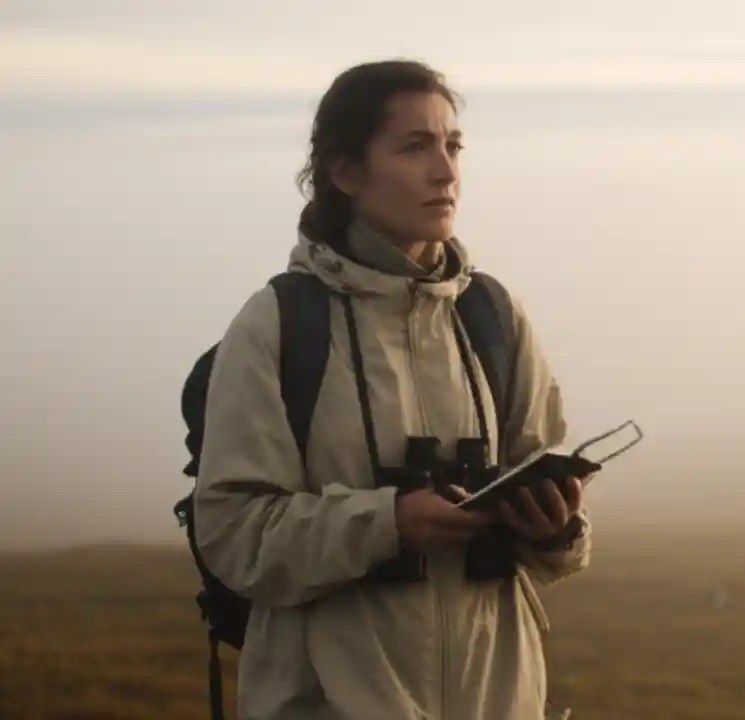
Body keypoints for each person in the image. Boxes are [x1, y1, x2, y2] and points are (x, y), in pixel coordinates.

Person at [192, 59, 592, 720]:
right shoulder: (280, 324)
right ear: (345, 172)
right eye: (415, 147)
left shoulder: (493, 317)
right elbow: (233, 532)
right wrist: (387, 523)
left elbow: (554, 531)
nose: (446, 170)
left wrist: (553, 528)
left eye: (453, 146)